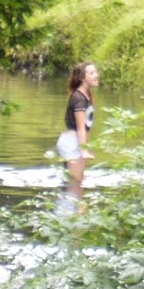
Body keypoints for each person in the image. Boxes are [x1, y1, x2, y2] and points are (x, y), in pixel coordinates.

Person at [56, 61, 98, 194]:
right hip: (72, 143)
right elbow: (81, 127)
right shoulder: (79, 98)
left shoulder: (85, 96)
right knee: (75, 186)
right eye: (92, 73)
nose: (96, 75)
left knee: (76, 184)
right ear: (82, 78)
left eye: (95, 72)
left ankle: (73, 212)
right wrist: (83, 150)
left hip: (75, 143)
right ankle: (70, 213)